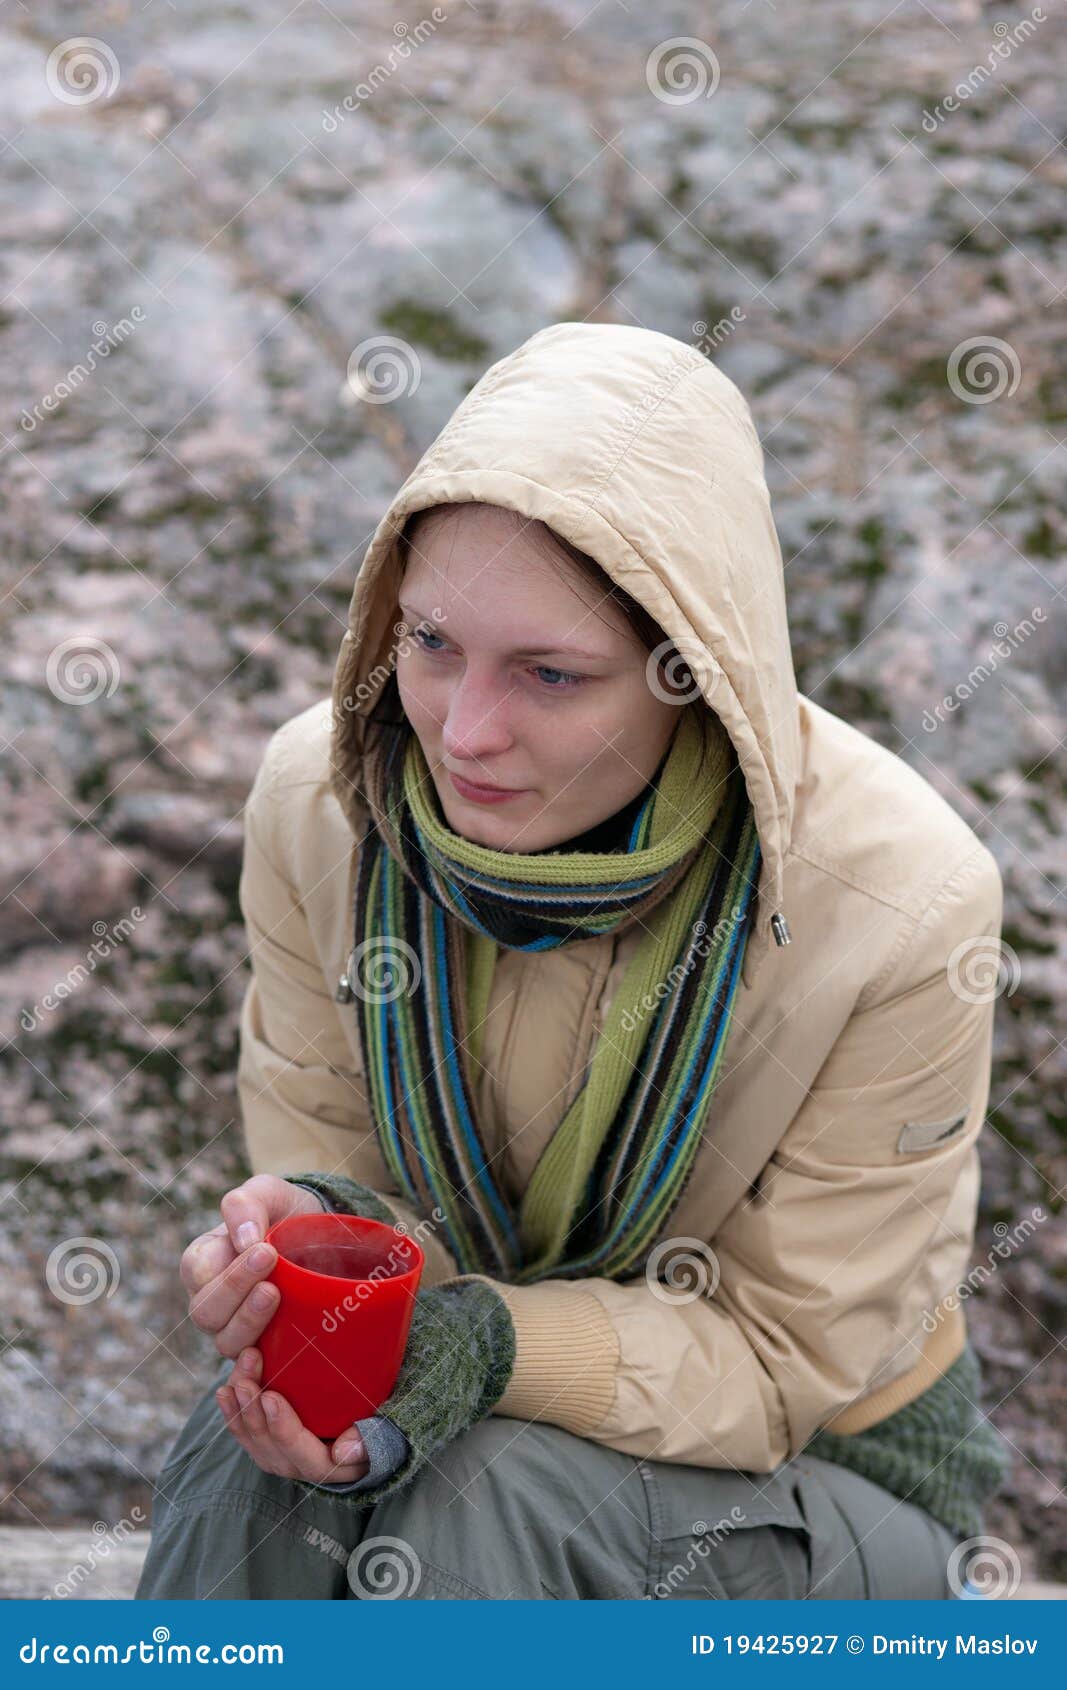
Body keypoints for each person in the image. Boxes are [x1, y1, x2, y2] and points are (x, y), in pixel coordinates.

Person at [135, 321, 1008, 1602]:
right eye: (428, 644)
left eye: (550, 673)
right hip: (483, 1422)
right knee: (245, 1461)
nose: (464, 732)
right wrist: (310, 1248)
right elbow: (342, 1173)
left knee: (484, 1503)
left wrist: (485, 1346)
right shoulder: (324, 804)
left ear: (690, 673)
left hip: (826, 1477)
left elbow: (774, 1362)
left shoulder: (897, 903)